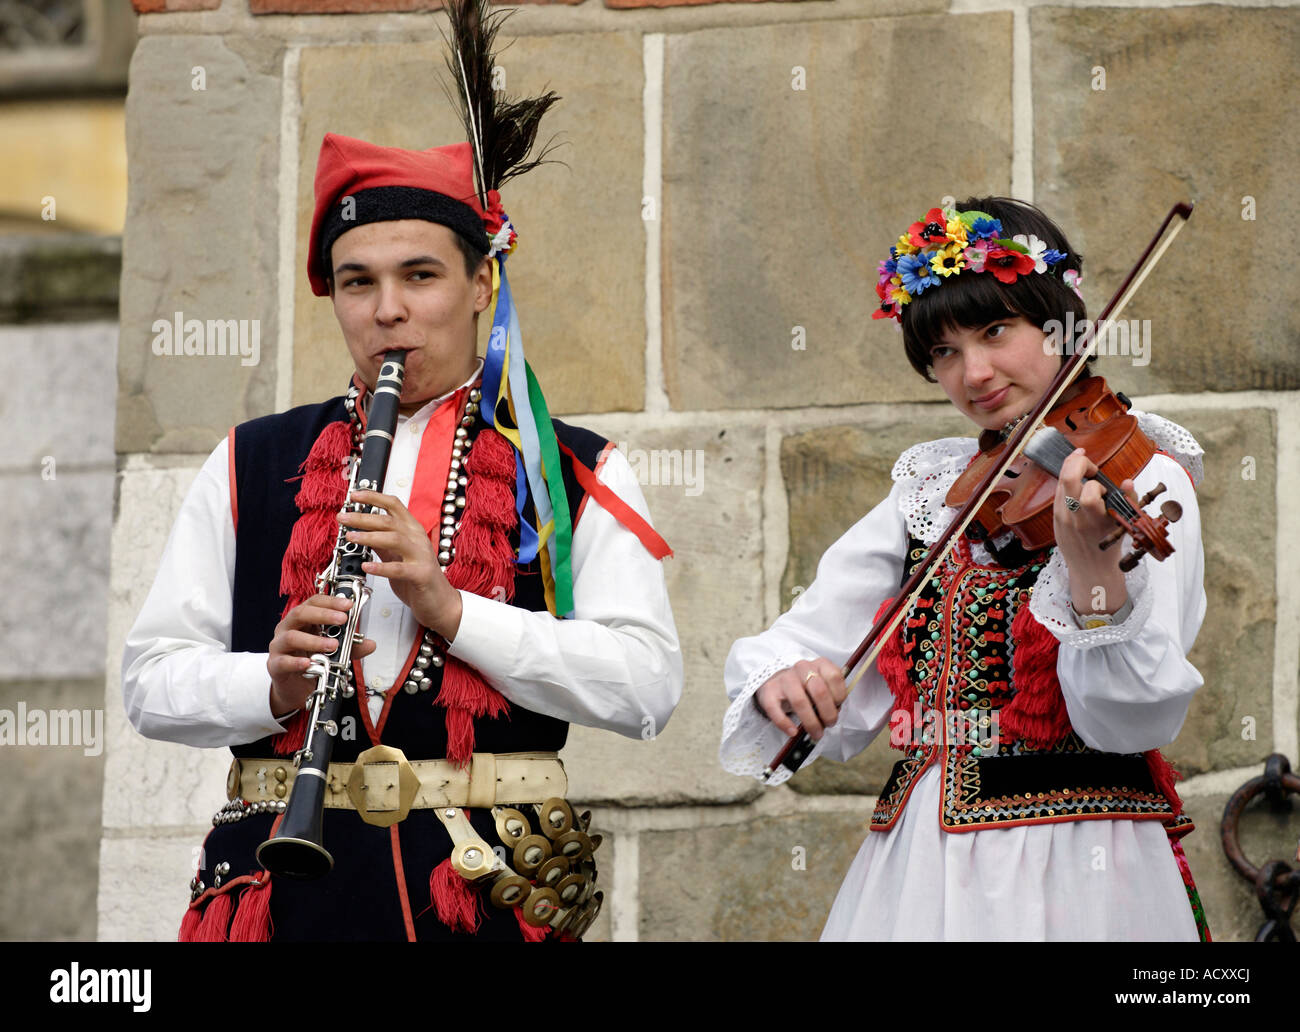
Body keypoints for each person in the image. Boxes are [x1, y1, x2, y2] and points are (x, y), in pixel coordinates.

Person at [122, 1, 681, 941]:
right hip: (279, 889)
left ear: (481, 287)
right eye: (357, 282)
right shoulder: (250, 460)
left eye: (420, 276)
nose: (387, 311)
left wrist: (451, 608)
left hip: (484, 894)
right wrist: (270, 682)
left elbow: (644, 689)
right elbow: (150, 682)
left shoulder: (577, 467)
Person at [720, 197, 1210, 941]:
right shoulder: (936, 490)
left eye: (994, 331)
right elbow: (810, 639)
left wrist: (1093, 574)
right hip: (920, 858)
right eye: (943, 351)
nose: (972, 372)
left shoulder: (1143, 475)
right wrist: (785, 679)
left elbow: (1129, 718)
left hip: (1079, 857)